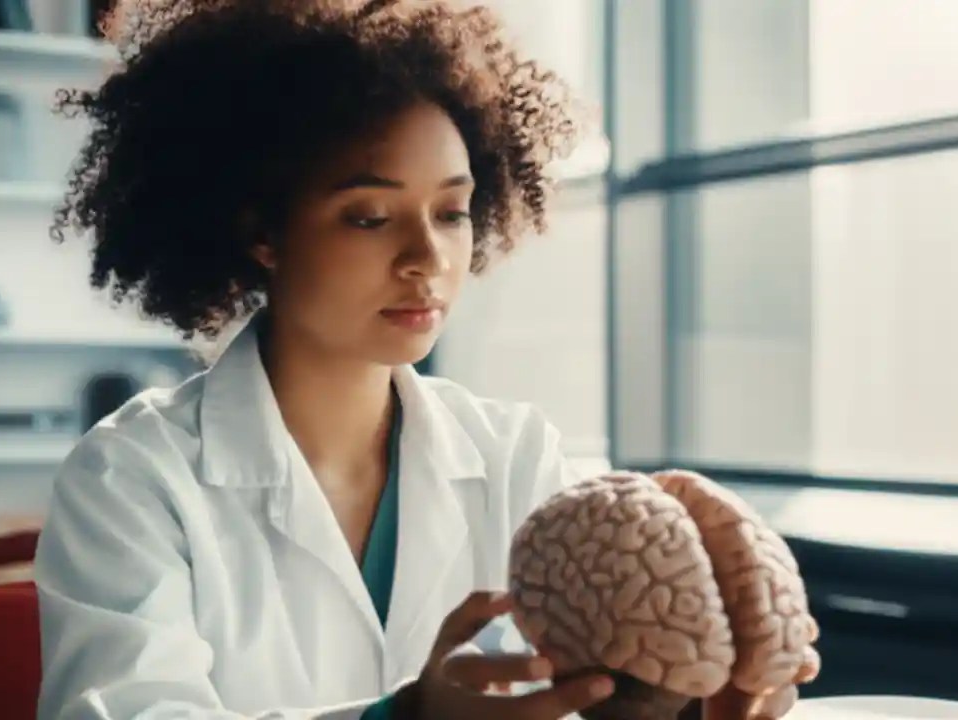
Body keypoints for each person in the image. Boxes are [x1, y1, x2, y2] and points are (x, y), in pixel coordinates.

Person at [34, 0, 613, 718]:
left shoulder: (518, 457)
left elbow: (601, 685)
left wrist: (695, 695)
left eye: (451, 212)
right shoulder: (131, 480)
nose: (427, 259)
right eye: (370, 217)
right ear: (261, 232)